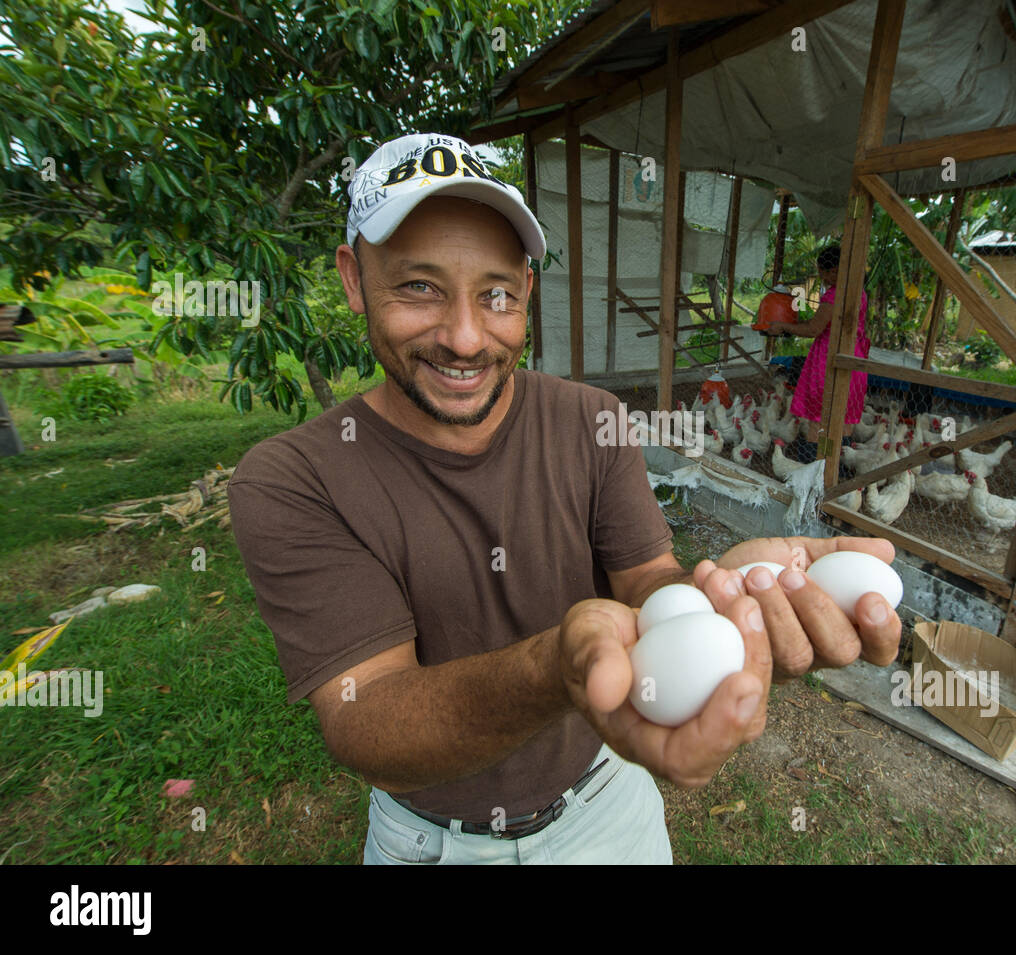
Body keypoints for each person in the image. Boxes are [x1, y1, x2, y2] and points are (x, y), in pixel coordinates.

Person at [227, 132, 901, 865]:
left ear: (527, 292)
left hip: (608, 809)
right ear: (355, 280)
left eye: (496, 295)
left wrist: (718, 589)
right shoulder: (295, 479)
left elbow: (648, 581)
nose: (464, 336)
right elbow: (368, 719)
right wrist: (559, 667)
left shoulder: (591, 418)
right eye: (419, 286)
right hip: (435, 844)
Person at [769, 245, 871, 461]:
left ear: (833, 271)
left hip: (829, 359)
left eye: (823, 272)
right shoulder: (858, 293)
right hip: (854, 358)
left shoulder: (834, 296)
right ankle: (838, 466)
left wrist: (783, 326)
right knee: (844, 415)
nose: (822, 277)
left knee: (820, 417)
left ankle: (813, 465)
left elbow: (814, 329)